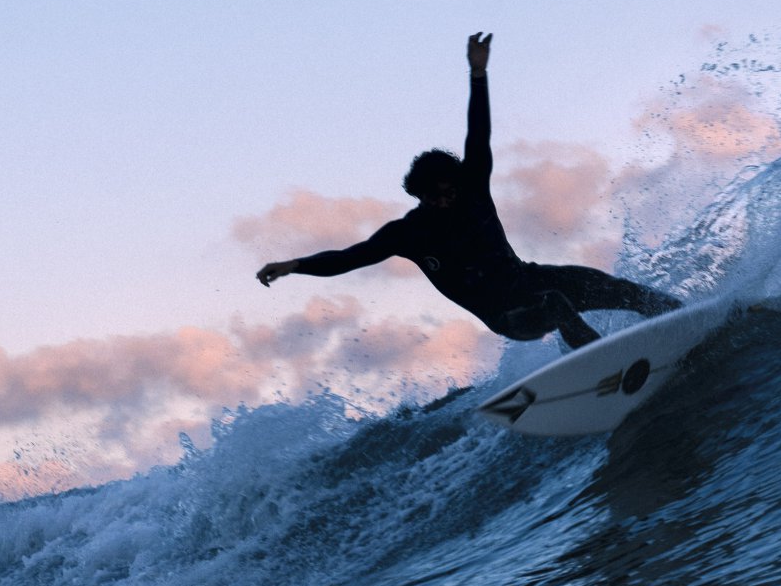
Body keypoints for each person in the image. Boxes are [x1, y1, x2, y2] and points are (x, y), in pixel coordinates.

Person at [257, 33, 680, 350]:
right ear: (420, 196)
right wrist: (294, 264)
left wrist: (479, 74)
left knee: (617, 289)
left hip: (530, 277)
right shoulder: (409, 233)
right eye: (433, 196)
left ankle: (692, 318)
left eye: (448, 192)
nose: (444, 201)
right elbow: (347, 258)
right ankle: (604, 362)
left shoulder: (474, 187)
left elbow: (479, 133)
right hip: (508, 314)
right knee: (554, 303)